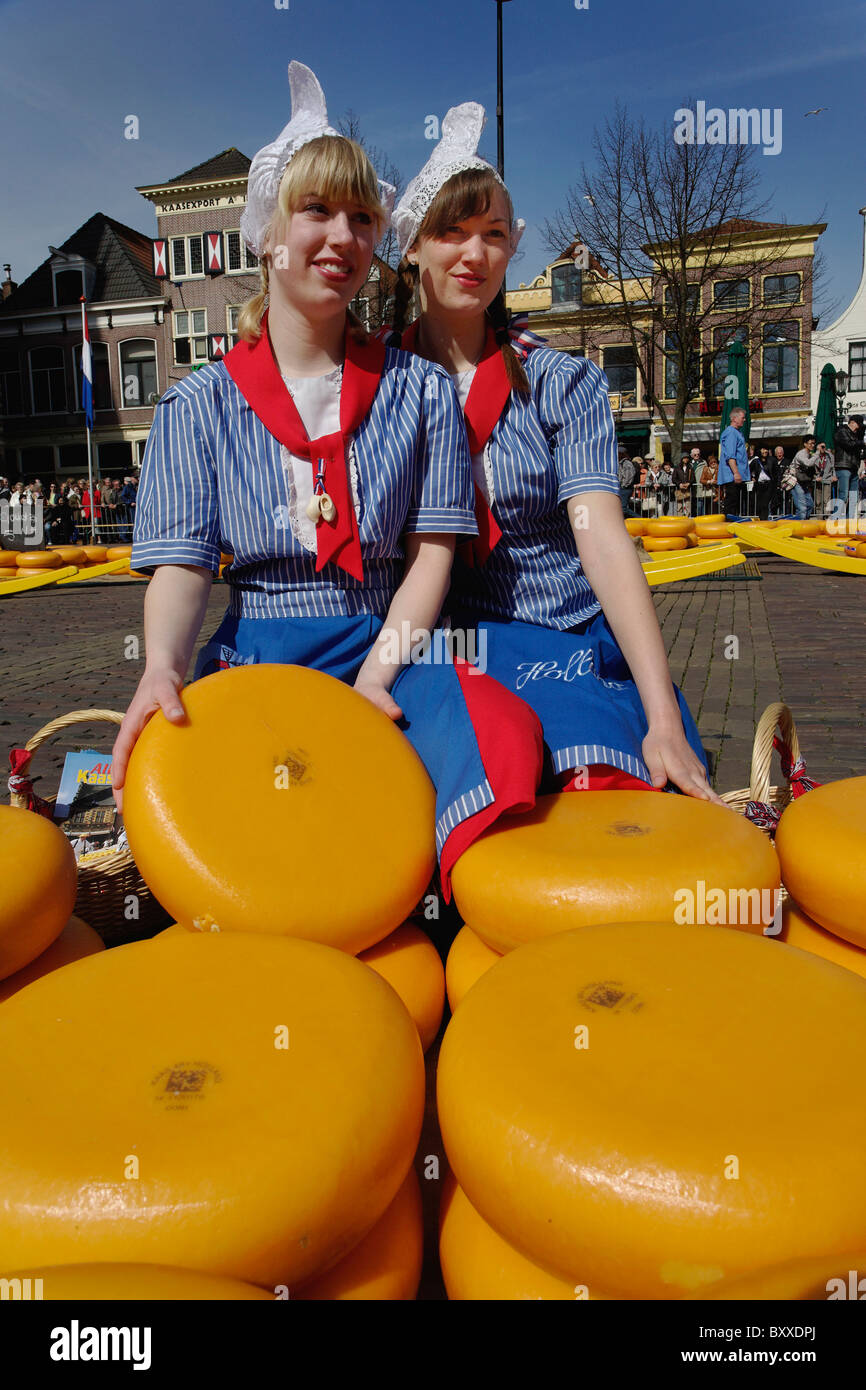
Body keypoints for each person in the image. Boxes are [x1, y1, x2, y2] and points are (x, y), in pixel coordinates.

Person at [112, 61, 542, 894]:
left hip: (394, 638)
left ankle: (464, 924)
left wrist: (382, 667)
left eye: (360, 217)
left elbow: (431, 556)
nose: (342, 238)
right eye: (315, 211)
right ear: (267, 233)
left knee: (499, 734)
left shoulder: (417, 389)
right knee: (238, 808)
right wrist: (162, 661)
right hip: (262, 649)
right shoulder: (196, 406)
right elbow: (185, 563)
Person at [387, 100, 718, 819]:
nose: (474, 255)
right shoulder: (374, 385)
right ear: (411, 245)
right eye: (452, 232)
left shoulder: (563, 382)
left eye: (494, 235)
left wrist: (661, 710)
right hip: (433, 651)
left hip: (556, 637)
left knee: (597, 813)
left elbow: (600, 537)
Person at [833, 414, 865, 520]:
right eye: (858, 424)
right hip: (843, 466)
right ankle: (835, 519)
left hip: (853, 467)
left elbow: (857, 449)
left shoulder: (856, 435)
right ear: (852, 422)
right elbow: (849, 444)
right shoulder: (841, 431)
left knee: (853, 496)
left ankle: (849, 520)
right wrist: (862, 442)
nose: (859, 427)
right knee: (843, 495)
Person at [718, 408, 748, 515]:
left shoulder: (737, 433)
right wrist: (736, 473)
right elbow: (730, 456)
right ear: (734, 419)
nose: (744, 420)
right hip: (733, 477)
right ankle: (728, 526)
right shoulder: (731, 433)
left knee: (736, 504)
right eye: (742, 418)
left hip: (736, 476)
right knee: (731, 503)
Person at [791, 435, 820, 520]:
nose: (812, 446)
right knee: (802, 507)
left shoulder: (810, 454)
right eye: (810, 444)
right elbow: (808, 463)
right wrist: (817, 453)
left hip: (803, 482)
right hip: (795, 482)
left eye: (814, 444)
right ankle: (799, 525)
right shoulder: (801, 454)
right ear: (805, 444)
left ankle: (804, 523)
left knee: (810, 504)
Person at [750, 445, 774, 521]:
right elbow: (748, 470)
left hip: (769, 485)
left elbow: (776, 473)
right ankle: (761, 519)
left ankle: (765, 520)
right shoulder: (756, 461)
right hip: (759, 485)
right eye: (763, 449)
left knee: (765, 504)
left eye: (766, 449)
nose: (765, 451)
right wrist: (752, 477)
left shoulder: (772, 460)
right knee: (759, 504)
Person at [617, 450, 636, 516]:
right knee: (621, 508)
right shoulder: (620, 463)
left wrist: (623, 485)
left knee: (623, 508)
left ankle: (639, 518)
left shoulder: (626, 463)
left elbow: (629, 476)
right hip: (622, 487)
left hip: (625, 488)